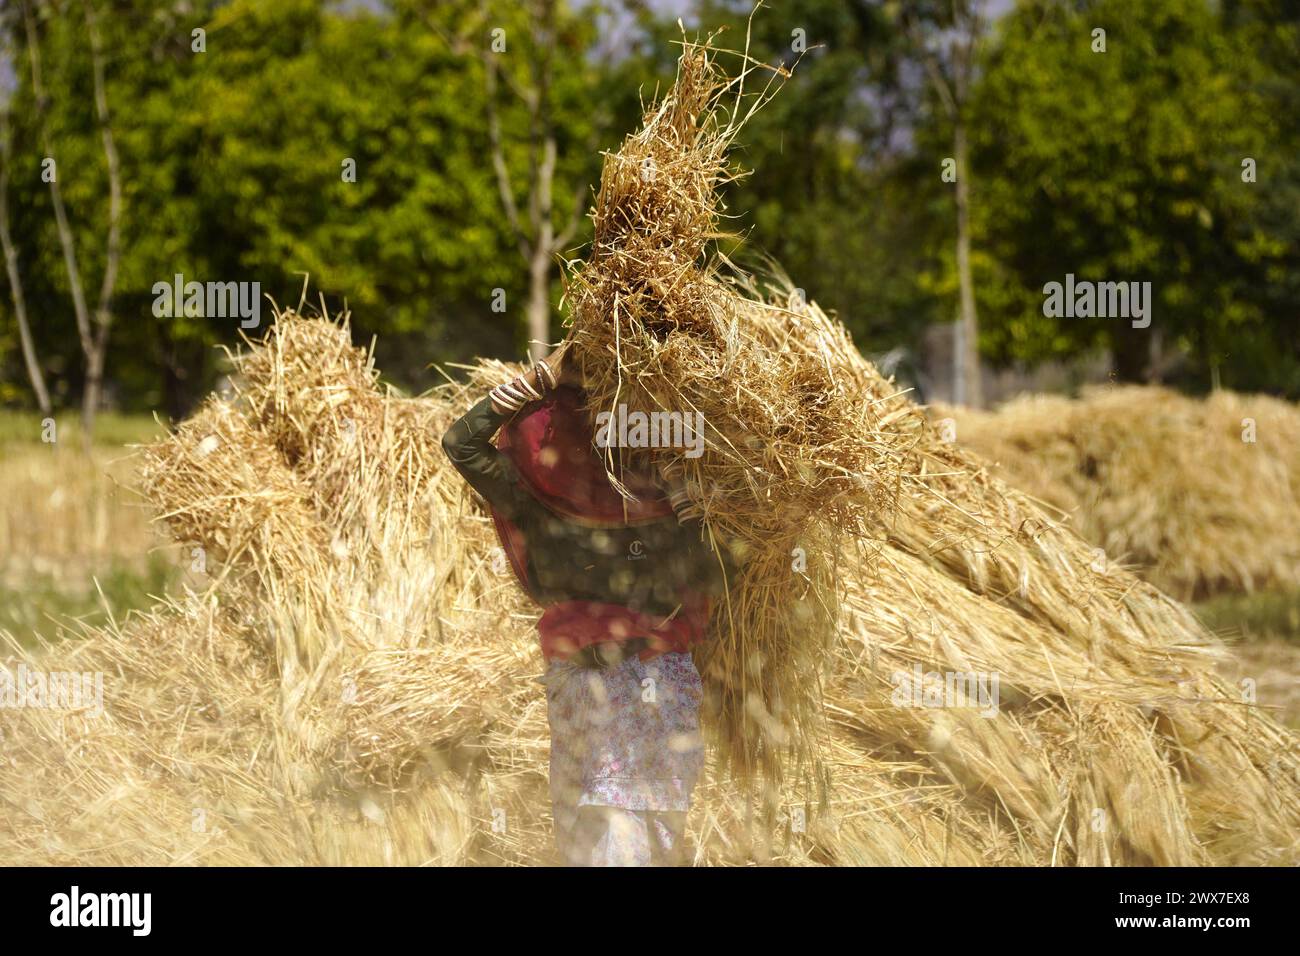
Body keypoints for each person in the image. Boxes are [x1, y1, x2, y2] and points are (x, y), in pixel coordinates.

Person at [441, 340, 728, 866]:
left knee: (607, 837)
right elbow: (719, 574)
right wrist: (684, 490)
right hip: (650, 686)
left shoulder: (540, 507)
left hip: (604, 686)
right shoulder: (661, 510)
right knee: (638, 836)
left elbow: (462, 442)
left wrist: (540, 382)